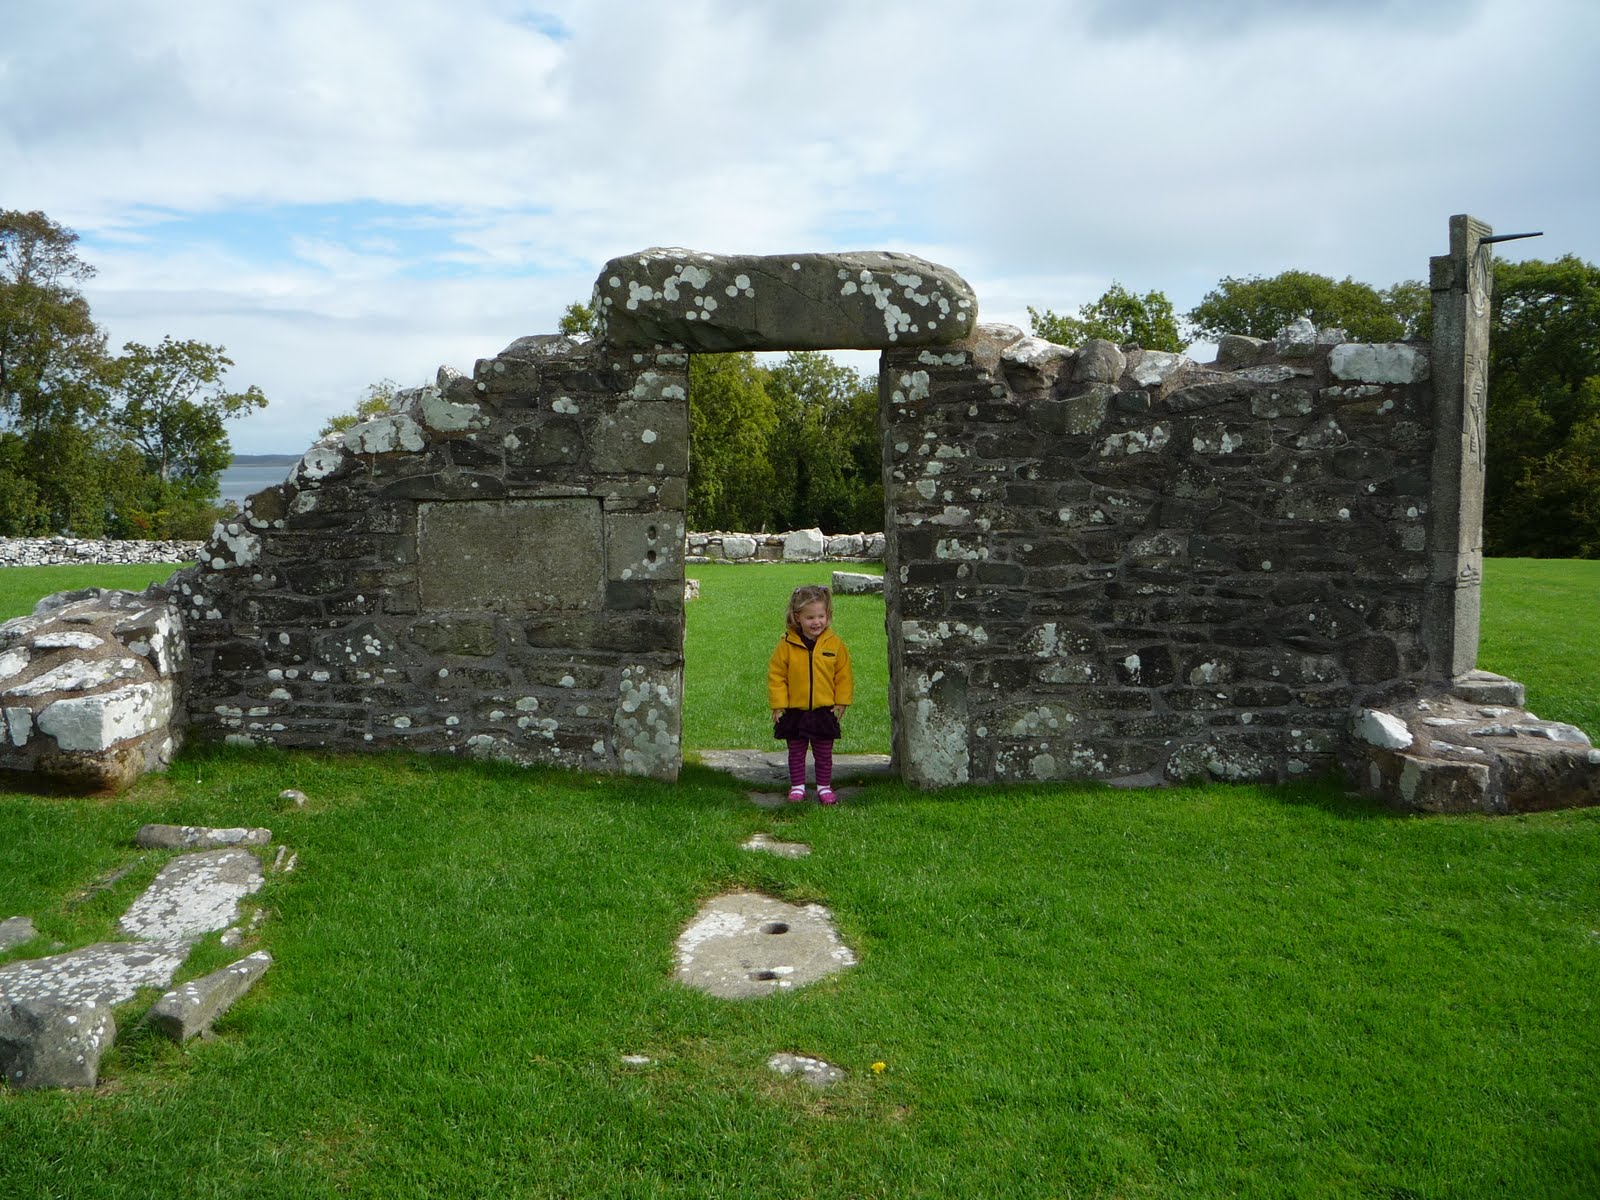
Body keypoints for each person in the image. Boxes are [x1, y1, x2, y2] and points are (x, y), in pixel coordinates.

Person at [767, 584, 853, 805]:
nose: (817, 622)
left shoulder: (835, 644)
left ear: (828, 615)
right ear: (798, 617)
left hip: (824, 710)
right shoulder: (786, 645)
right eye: (810, 617)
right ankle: (797, 786)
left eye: (821, 616)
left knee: (824, 752)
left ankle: (824, 787)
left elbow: (843, 675)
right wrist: (778, 704)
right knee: (796, 752)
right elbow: (777, 675)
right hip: (795, 710)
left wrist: (842, 701)